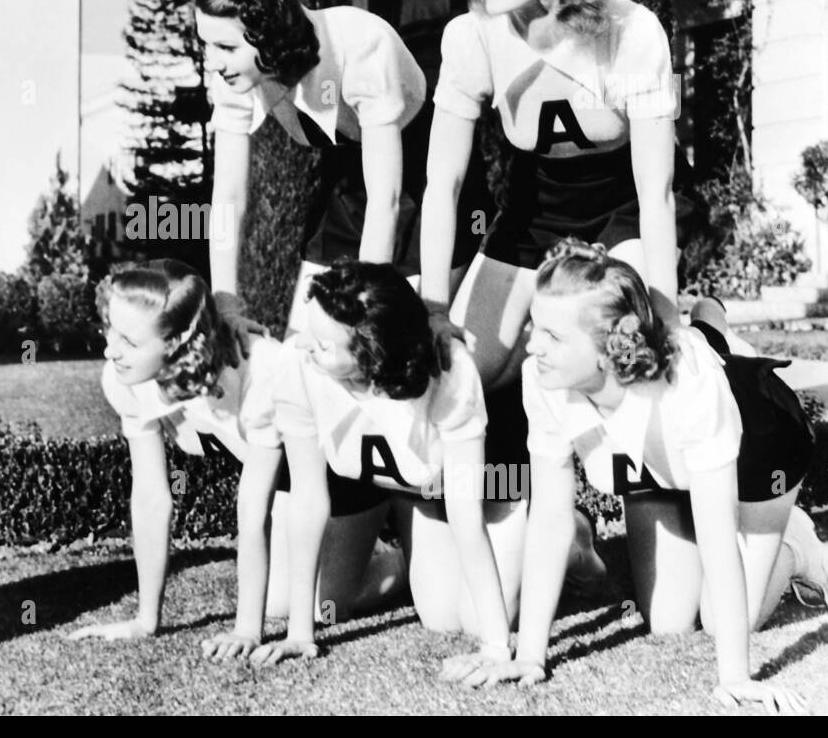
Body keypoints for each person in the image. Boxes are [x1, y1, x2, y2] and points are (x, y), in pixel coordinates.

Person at [456, 240, 824, 713]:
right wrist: (528, 655)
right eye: (534, 325)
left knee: (721, 621)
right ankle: (711, 324)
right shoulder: (542, 379)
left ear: (612, 348)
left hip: (761, 449)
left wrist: (735, 677)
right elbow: (550, 521)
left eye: (553, 335)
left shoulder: (689, 389)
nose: (531, 345)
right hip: (662, 468)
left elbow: (717, 536)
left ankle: (798, 545)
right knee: (669, 619)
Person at [250, 259, 604, 671]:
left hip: (473, 485)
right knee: (305, 602)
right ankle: (398, 551)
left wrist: (494, 647)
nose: (303, 344)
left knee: (460, 619)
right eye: (310, 328)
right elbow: (309, 498)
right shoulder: (299, 362)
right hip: (396, 482)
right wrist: (299, 634)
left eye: (324, 343)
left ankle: (573, 541)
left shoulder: (450, 374)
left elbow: (465, 515)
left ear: (372, 358)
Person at [420, 0, 695, 392]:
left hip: (626, 206)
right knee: (463, 378)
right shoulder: (470, 35)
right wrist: (435, 307)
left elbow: (655, 192)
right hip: (537, 205)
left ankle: (708, 321)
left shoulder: (631, 30)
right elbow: (443, 186)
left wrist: (668, 317)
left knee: (626, 360)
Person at [70, 259, 405, 658]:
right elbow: (150, 498)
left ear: (176, 342)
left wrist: (264, 631)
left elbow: (264, 505)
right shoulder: (122, 378)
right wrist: (145, 620)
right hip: (287, 474)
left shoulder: (261, 369)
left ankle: (404, 555)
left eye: (129, 341)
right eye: (110, 328)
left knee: (323, 609)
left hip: (340, 474)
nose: (110, 349)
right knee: (279, 601)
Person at [195, 0, 482, 337]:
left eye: (225, 47)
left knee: (392, 341)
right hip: (347, 185)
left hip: (423, 179)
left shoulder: (361, 43)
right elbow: (228, 197)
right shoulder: (234, 77)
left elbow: (387, 198)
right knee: (304, 350)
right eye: (206, 44)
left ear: (267, 33)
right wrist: (225, 301)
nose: (212, 61)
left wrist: (360, 311)